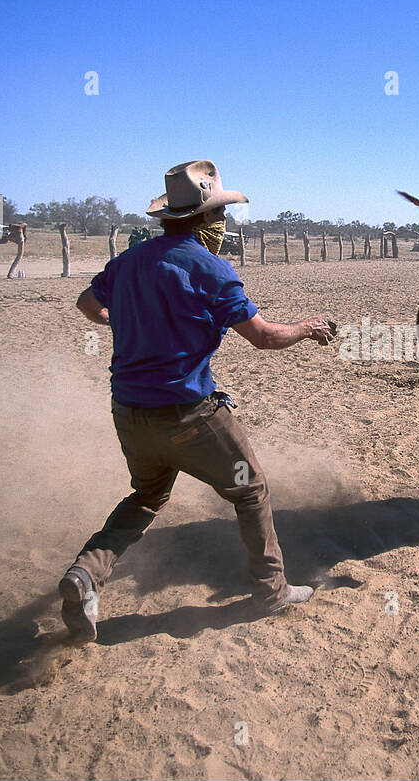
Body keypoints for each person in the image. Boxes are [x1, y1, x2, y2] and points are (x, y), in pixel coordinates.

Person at [58, 161, 335, 641]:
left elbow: (86, 303)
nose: (224, 226)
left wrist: (121, 320)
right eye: (221, 216)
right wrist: (307, 329)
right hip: (189, 412)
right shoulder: (208, 266)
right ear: (209, 220)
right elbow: (264, 338)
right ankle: (271, 591)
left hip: (129, 412)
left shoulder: (129, 261)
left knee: (146, 498)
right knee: (250, 490)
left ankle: (85, 574)